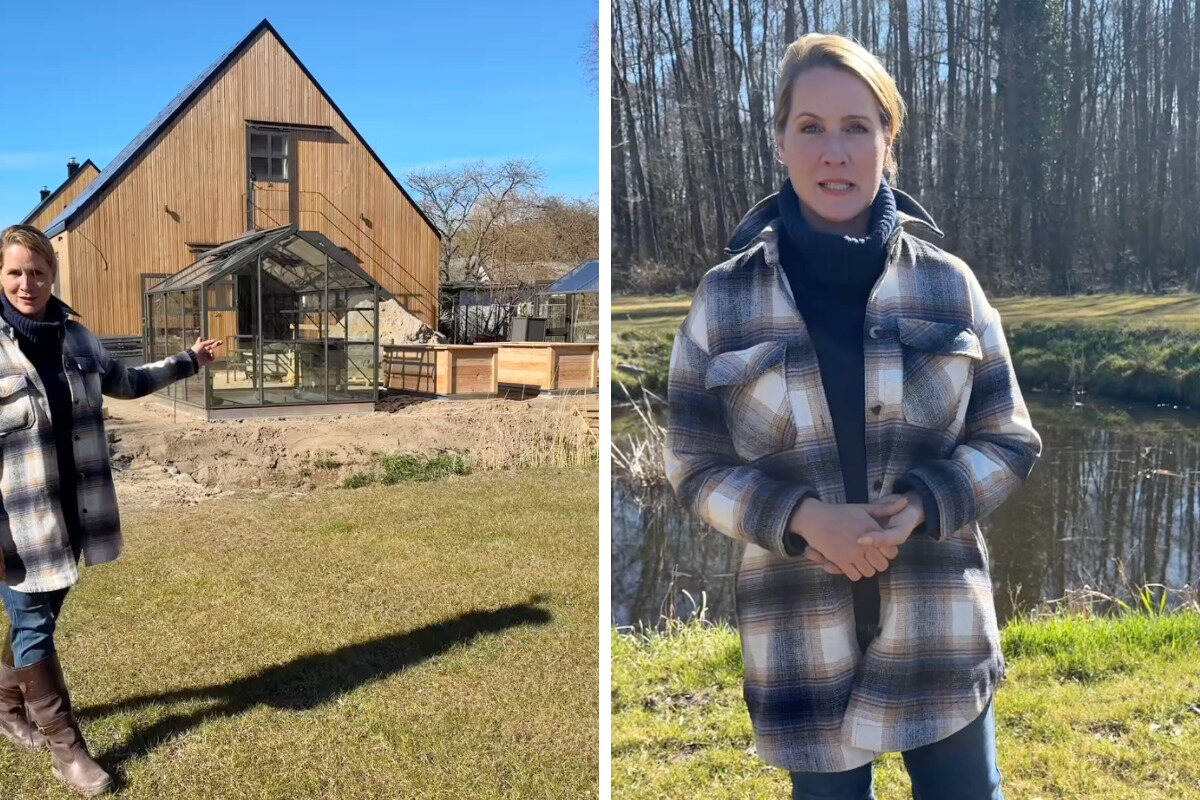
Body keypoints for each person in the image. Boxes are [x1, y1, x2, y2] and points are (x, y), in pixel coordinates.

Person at [664, 33, 1042, 800]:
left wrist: (923, 505)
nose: (833, 151)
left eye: (856, 127)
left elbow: (1008, 438)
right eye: (810, 127)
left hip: (941, 628)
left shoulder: (950, 287)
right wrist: (803, 518)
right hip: (800, 639)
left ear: (887, 141)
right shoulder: (724, 299)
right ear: (780, 140)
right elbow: (692, 465)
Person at [0, 224, 219, 796]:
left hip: (73, 514)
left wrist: (189, 361)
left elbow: (128, 381)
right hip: (14, 526)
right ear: (0, 276)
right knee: (33, 624)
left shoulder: (77, 338)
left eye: (39, 272)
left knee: (38, 619)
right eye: (15, 273)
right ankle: (67, 747)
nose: (28, 283)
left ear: (53, 275)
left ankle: (4, 703)